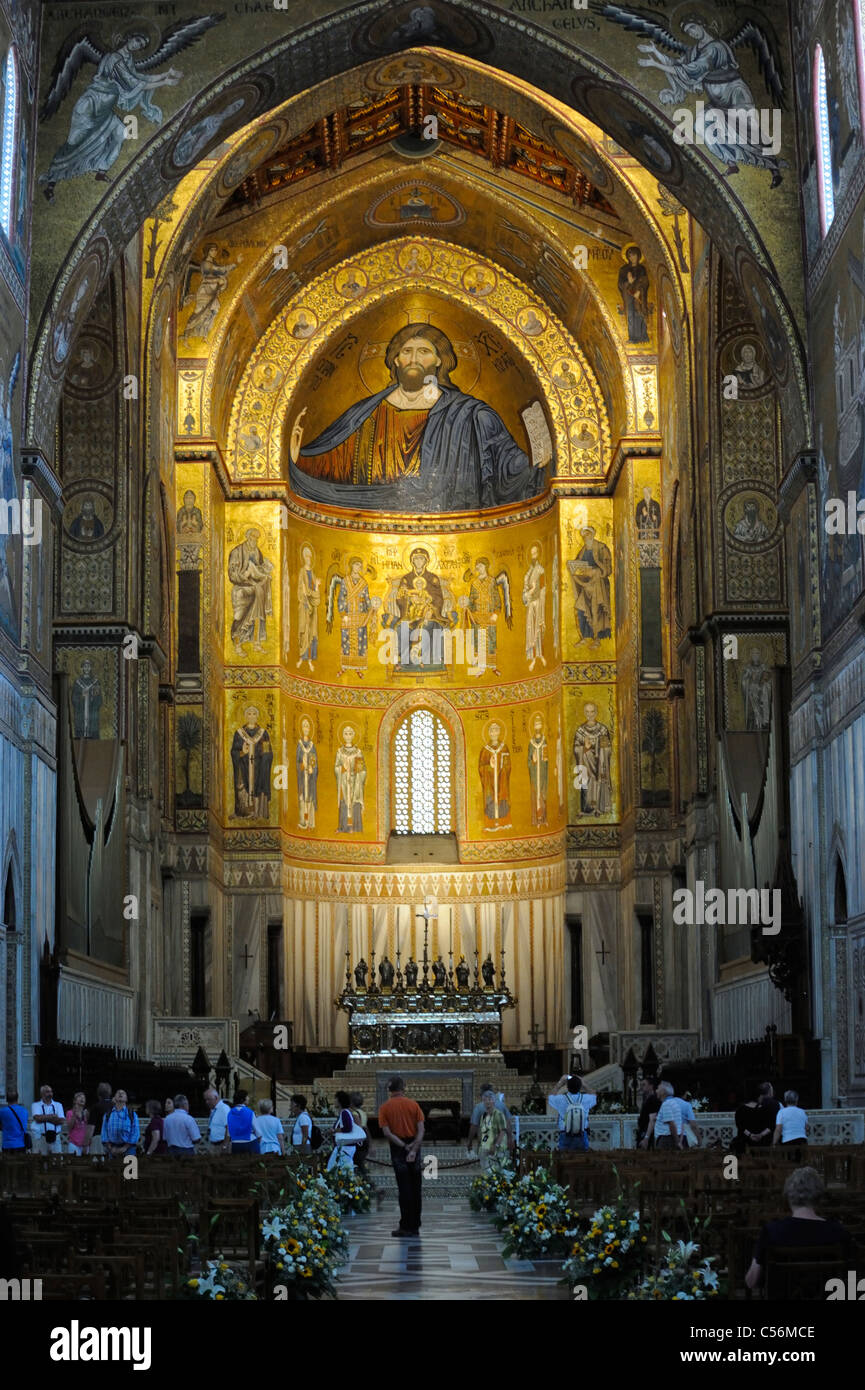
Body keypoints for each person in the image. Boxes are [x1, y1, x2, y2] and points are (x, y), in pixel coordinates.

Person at [745, 1168, 852, 1293]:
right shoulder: (838, 1231)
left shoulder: (771, 1231)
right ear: (818, 1197)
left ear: (789, 1197)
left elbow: (751, 1281)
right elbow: (849, 1280)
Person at [378, 1077, 425, 1238]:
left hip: (399, 1148)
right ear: (403, 1087)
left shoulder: (385, 1107)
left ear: (389, 1090)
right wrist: (414, 1147)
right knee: (416, 1187)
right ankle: (415, 1225)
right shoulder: (414, 1105)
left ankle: (405, 1225)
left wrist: (404, 1147)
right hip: (415, 1145)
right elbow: (421, 1129)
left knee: (404, 1187)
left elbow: (387, 1133)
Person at [548, 1074, 597, 1152]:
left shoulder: (561, 1099)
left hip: (565, 1134)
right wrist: (583, 1083)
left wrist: (560, 1083)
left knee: (564, 1160)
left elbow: (550, 1096)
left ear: (567, 1087)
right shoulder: (586, 1099)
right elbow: (594, 1094)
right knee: (583, 1160)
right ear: (580, 1087)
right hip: (581, 1134)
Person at [467, 1084, 513, 1157]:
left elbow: (474, 1127)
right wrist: (510, 1138)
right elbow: (508, 1124)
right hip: (500, 1142)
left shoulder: (478, 1107)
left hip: (485, 1141)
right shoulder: (502, 1105)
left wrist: (469, 1142)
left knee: (485, 1164)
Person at [327, 1091, 362, 1172]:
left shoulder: (344, 1112)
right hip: (344, 1146)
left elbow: (347, 1128)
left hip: (345, 1147)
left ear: (339, 1101)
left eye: (335, 1099)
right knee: (341, 1169)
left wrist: (334, 1130)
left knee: (336, 1168)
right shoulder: (344, 1112)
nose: (334, 1101)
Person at [101, 1089, 140, 1159]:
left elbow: (135, 1133)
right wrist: (110, 1148)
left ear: (126, 1099)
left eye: (123, 1093)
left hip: (129, 1149)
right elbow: (104, 1132)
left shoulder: (132, 1114)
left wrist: (125, 1148)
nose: (120, 1093)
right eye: (118, 1092)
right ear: (114, 1098)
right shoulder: (108, 1114)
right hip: (112, 1148)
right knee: (111, 1169)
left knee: (128, 1170)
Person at [476, 1089, 507, 1170]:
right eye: (485, 1100)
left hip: (496, 1150)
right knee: (486, 1172)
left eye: (490, 1099)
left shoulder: (498, 1114)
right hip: (485, 1148)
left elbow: (502, 1131)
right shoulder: (484, 1116)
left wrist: (495, 1145)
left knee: (496, 1173)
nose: (487, 1102)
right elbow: (482, 1131)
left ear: (494, 1101)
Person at [30, 1085, 65, 1155]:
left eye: (51, 1092)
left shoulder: (58, 1105)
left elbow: (61, 1121)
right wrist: (52, 1116)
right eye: (47, 1092)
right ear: (42, 1094)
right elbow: (37, 1118)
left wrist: (44, 1118)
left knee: (56, 1160)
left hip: (55, 1138)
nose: (50, 1094)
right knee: (41, 1161)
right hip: (41, 1137)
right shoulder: (36, 1105)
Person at [646, 1080, 680, 1150]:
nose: (656, 1091)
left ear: (663, 1092)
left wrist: (677, 1142)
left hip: (666, 1140)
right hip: (668, 1138)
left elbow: (672, 1123)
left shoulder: (666, 1104)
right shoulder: (673, 1102)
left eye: (658, 1089)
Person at [204, 1087, 230, 1153]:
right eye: (205, 1100)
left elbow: (229, 1128)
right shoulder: (213, 1110)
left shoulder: (224, 1109)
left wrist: (225, 1145)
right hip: (213, 1144)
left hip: (221, 1145)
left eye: (208, 1099)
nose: (207, 1102)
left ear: (215, 1098)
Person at [636, 1077, 660, 1149]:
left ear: (651, 1086)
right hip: (643, 1130)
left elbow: (652, 1119)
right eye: (641, 1085)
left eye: (644, 1085)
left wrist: (646, 1137)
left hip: (648, 1131)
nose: (641, 1087)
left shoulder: (653, 1099)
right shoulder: (647, 1098)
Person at [350, 1092, 370, 1173]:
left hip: (359, 1140)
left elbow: (358, 1127)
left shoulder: (354, 1113)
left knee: (358, 1161)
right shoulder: (363, 1112)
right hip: (365, 1137)